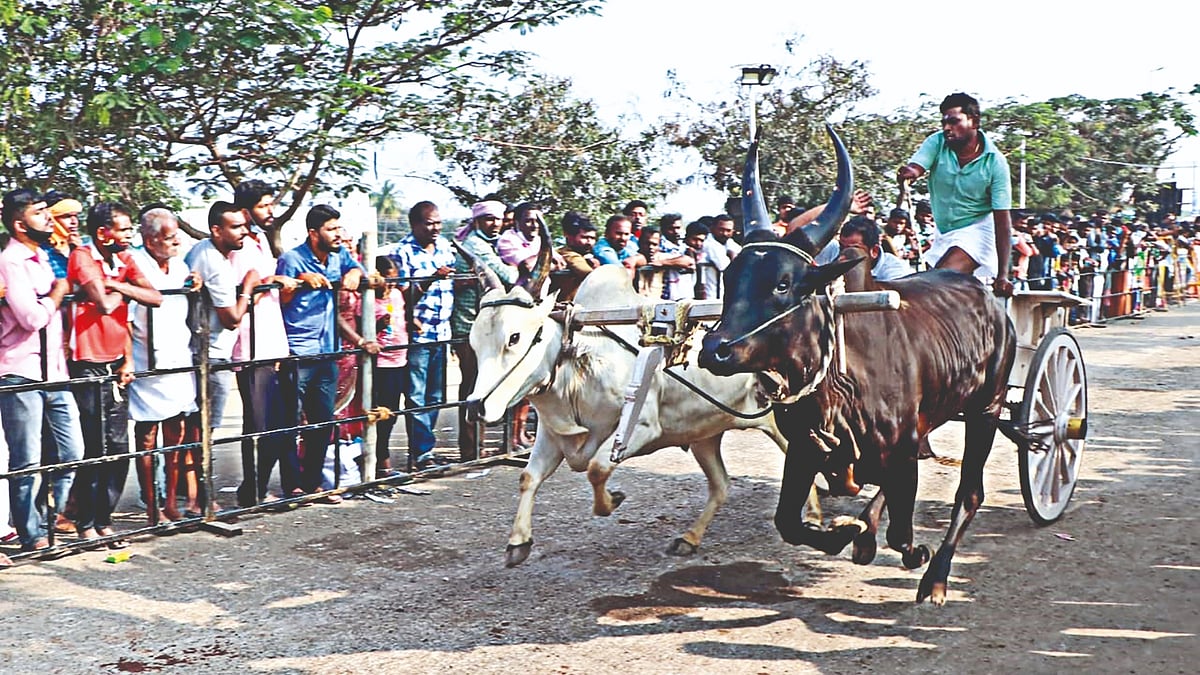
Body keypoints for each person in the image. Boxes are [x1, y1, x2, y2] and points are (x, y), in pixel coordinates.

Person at [67, 202, 163, 547]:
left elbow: (154, 296)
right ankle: (85, 523)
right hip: (87, 361)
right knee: (97, 445)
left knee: (120, 445)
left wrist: (119, 286)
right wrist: (119, 288)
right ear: (103, 233)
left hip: (116, 360)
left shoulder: (123, 260)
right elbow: (103, 304)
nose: (128, 235)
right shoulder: (82, 256)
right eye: (122, 230)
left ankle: (105, 519)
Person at [0, 188, 84, 554]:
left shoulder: (43, 257)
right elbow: (31, 317)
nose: (48, 218)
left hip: (54, 369)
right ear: (21, 224)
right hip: (20, 370)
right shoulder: (11, 262)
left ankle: (46, 516)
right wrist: (57, 294)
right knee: (26, 458)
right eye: (39, 213)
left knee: (73, 451)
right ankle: (33, 533)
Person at [275, 204, 367, 501]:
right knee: (289, 423)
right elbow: (278, 299)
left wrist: (353, 272)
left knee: (323, 421)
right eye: (331, 229)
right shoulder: (292, 259)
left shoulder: (340, 256)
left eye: (339, 228)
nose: (337, 234)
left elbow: (358, 270)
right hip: (298, 351)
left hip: (328, 351)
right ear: (314, 233)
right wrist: (300, 282)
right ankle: (293, 486)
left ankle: (314, 482)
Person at [229, 180, 303, 507]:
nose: (270, 211)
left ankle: (279, 485)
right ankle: (253, 489)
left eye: (270, 205)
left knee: (284, 418)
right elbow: (238, 293)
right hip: (251, 344)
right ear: (246, 210)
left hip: (274, 340)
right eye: (263, 206)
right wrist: (271, 282)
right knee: (257, 423)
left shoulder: (260, 240)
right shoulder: (236, 247)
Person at [184, 201, 263, 510]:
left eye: (243, 226)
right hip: (210, 353)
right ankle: (201, 500)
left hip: (208, 350)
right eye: (235, 227)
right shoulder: (213, 261)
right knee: (204, 429)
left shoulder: (208, 251)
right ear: (217, 230)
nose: (243, 232)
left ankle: (196, 498)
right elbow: (231, 317)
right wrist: (249, 287)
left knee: (199, 428)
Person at [897, 92, 1014, 296]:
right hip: (944, 231)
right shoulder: (936, 142)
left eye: (953, 121)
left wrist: (1003, 275)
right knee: (930, 287)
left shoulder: (995, 163)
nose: (946, 128)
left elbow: (1002, 222)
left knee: (933, 284)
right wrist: (910, 173)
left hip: (978, 230)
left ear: (974, 122)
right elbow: (917, 167)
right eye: (943, 122)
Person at [128, 208, 203, 523]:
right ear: (149, 238)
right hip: (147, 358)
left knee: (178, 429)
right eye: (169, 237)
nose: (176, 242)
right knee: (147, 434)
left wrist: (194, 280)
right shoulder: (134, 262)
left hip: (178, 356)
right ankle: (151, 507)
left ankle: (171, 502)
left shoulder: (180, 264)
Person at [388, 201, 456, 471]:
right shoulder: (402, 252)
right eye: (429, 223)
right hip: (419, 333)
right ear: (415, 224)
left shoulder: (445, 248)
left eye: (438, 222)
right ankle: (420, 454)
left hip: (442, 332)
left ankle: (426, 449)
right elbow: (401, 295)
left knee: (436, 395)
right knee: (416, 395)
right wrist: (431, 278)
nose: (435, 228)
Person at [452, 200, 518, 459]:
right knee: (471, 384)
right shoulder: (476, 245)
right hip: (468, 325)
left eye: (497, 219)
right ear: (477, 221)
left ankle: (477, 445)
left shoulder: (494, 242)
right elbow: (507, 275)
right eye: (488, 219)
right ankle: (469, 449)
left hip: (485, 326)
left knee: (482, 383)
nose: (494, 224)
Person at [369, 256, 408, 477]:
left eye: (395, 280)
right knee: (380, 414)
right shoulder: (368, 300)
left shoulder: (396, 295)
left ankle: (381, 458)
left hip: (399, 360)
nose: (391, 284)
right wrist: (377, 325)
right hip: (381, 364)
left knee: (392, 413)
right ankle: (381, 462)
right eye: (387, 279)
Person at [836, 216, 913, 281]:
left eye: (852, 250)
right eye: (842, 248)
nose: (842, 257)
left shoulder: (894, 273)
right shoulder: (836, 257)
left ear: (874, 251)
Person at [551, 212, 599, 302]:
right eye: (584, 237)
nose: (589, 242)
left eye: (592, 238)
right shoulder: (566, 254)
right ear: (570, 237)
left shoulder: (590, 255)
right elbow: (588, 274)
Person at [701, 214, 741, 299]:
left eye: (728, 230)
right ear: (712, 229)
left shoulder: (729, 242)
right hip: (711, 294)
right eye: (721, 230)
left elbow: (743, 256)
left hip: (724, 293)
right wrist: (734, 256)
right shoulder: (709, 244)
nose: (725, 233)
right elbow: (725, 266)